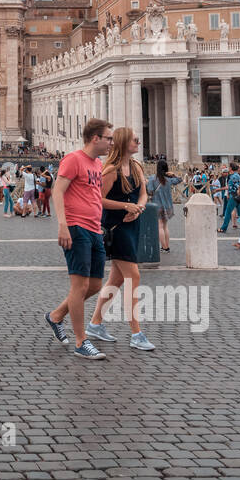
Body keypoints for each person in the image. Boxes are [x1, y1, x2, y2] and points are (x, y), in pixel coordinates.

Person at [44, 118, 115, 361]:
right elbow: (58, 191)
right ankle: (80, 341)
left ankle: (55, 316)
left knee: (94, 285)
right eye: (108, 138)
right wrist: (63, 225)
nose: (110, 143)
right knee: (79, 286)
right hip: (76, 228)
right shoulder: (73, 159)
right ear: (95, 138)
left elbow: (93, 196)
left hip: (95, 229)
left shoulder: (96, 164)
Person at [86, 128, 154, 351]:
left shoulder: (136, 167)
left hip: (132, 223)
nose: (138, 141)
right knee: (133, 277)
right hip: (116, 228)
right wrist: (126, 205)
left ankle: (95, 324)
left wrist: (139, 207)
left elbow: (143, 193)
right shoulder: (111, 171)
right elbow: (98, 200)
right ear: (125, 143)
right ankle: (136, 333)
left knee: (115, 280)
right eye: (135, 139)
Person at [146, 160, 179, 254]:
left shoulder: (152, 179)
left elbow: (150, 191)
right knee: (165, 226)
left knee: (159, 226)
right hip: (168, 205)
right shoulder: (169, 179)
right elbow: (179, 180)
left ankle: (164, 247)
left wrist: (147, 183)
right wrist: (173, 174)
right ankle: (167, 246)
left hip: (157, 205)